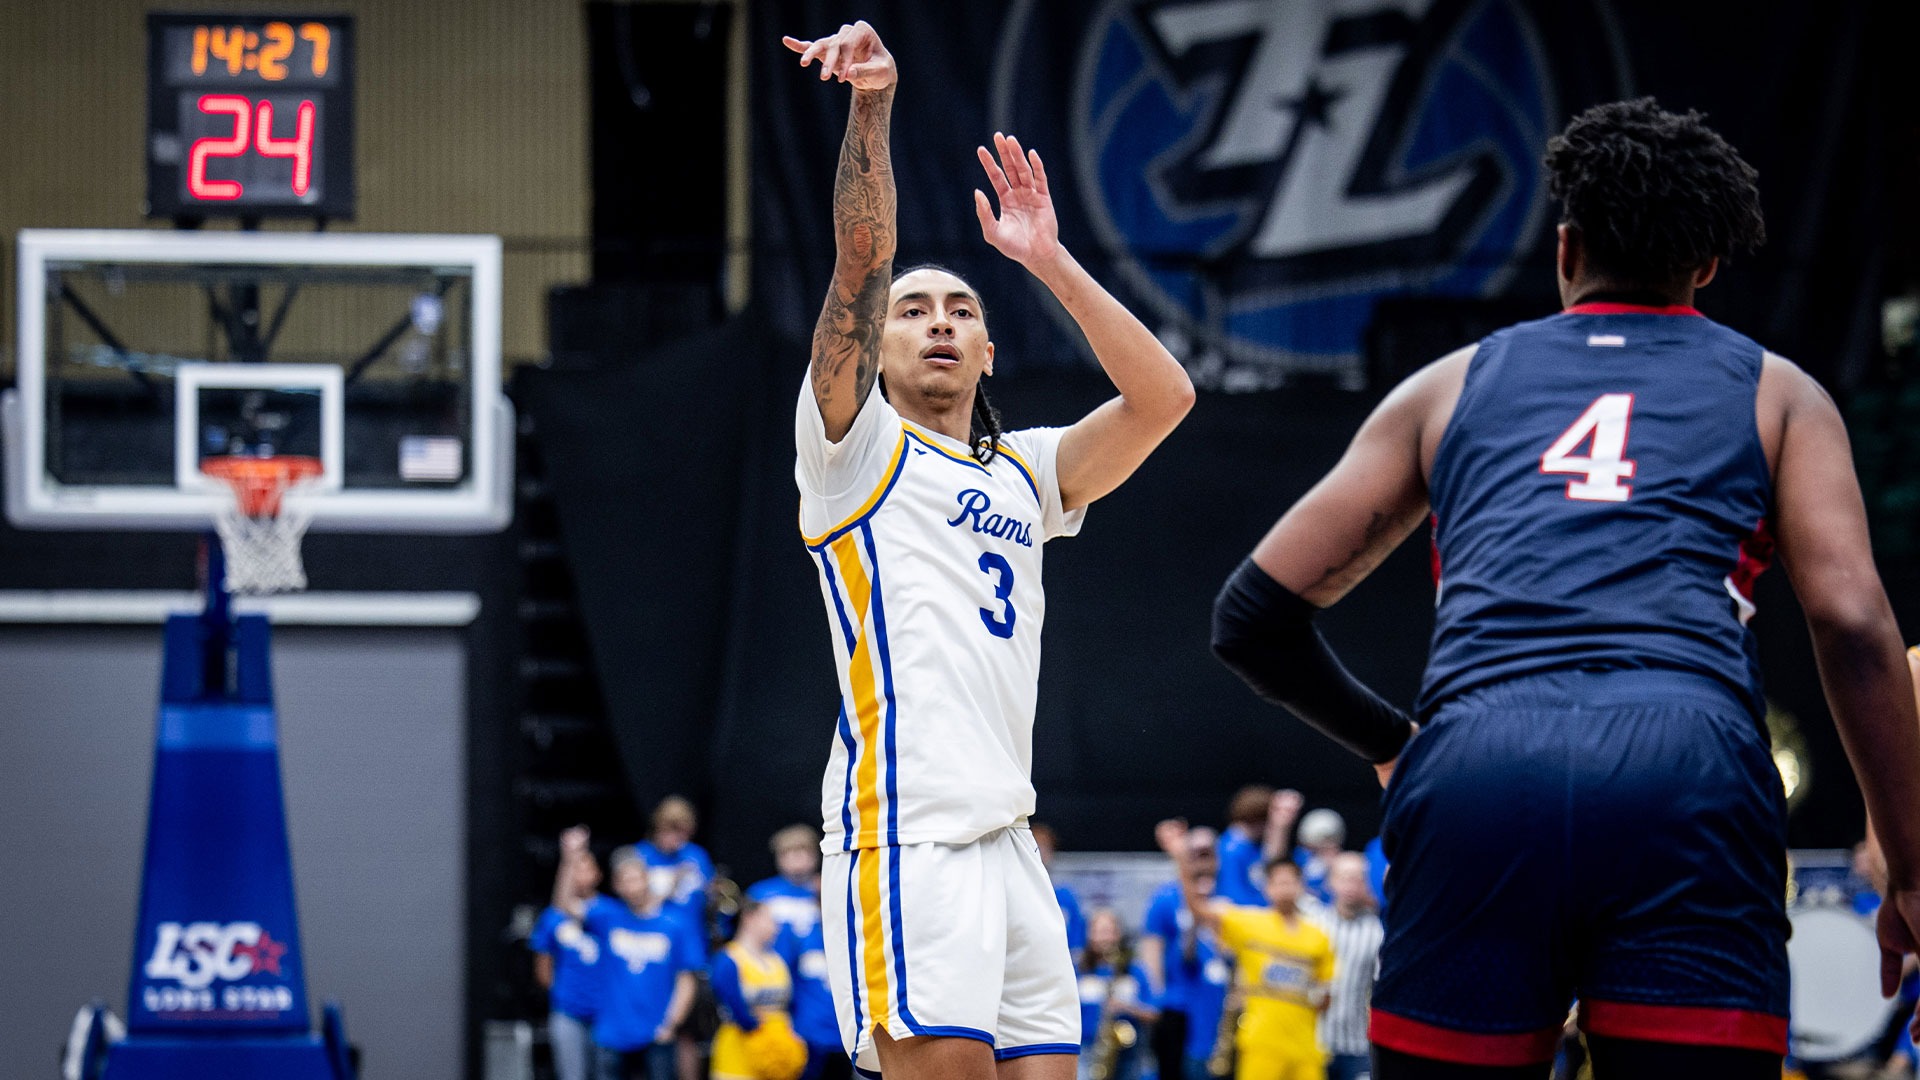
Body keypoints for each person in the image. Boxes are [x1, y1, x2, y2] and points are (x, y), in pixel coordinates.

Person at [1208, 97, 1920, 1078]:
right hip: (1688, 768)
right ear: (1708, 267)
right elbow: (1851, 622)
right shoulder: (1779, 394)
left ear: (1565, 247)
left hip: (1480, 763)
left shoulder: (1448, 387)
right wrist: (1910, 866)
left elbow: (1253, 617)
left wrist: (1397, 746)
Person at [782, 17, 1194, 1080]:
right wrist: (873, 106)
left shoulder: (1025, 469)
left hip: (1011, 840)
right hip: (907, 833)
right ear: (876, 348)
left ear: (988, 348)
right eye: (914, 311)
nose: (939, 322)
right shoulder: (853, 452)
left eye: (962, 310)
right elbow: (861, 260)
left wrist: (1048, 261)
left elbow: (1164, 397)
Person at [1157, 821, 1333, 1080]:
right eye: (1279, 882)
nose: (1285, 888)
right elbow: (1198, 909)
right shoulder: (1251, 923)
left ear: (1301, 885)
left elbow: (1326, 995)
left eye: (1291, 882)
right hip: (1261, 1043)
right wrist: (1182, 860)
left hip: (1307, 1047)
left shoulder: (1319, 936)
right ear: (1267, 888)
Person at [554, 830, 701, 1080]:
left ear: (647, 878)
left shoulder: (674, 924)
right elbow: (564, 906)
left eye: (636, 878)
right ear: (617, 886)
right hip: (612, 1033)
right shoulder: (608, 916)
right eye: (625, 880)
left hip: (656, 1032)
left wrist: (671, 1023)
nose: (632, 886)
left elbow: (686, 978)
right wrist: (570, 859)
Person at [1141, 826, 1220, 1080]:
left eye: (1207, 853)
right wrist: (1156, 995)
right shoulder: (1167, 897)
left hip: (1218, 1003)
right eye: (1194, 854)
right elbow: (1153, 947)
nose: (1201, 861)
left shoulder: (1227, 893)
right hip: (1178, 1003)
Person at [537, 836, 609, 1080]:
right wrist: (561, 993)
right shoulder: (553, 917)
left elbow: (572, 908)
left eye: (585, 868)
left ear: (598, 874)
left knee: (605, 1073)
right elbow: (543, 964)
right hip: (567, 1009)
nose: (580, 875)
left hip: (605, 1009)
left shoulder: (609, 911)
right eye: (574, 869)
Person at [711, 900, 806, 1080]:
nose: (775, 927)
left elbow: (791, 1005)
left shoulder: (777, 961)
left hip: (778, 1055)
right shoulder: (729, 959)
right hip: (740, 1054)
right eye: (769, 920)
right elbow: (736, 1010)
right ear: (749, 918)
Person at [1307, 855, 1382, 1080]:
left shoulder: (1376, 932)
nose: (1350, 885)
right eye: (1344, 878)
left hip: (1356, 1044)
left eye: (1357, 878)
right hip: (1316, 1041)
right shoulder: (1314, 924)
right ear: (1330, 882)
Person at [1075, 910, 1160, 1080]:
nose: (1104, 938)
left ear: (1118, 934)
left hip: (1129, 1054)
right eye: (1099, 932)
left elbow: (1154, 1013)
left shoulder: (1135, 970)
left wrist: (1126, 1008)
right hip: (1087, 1051)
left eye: (1109, 931)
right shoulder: (1078, 970)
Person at [748, 825, 825, 940]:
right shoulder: (761, 892)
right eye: (787, 852)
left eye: (803, 850)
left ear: (815, 855)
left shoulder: (826, 889)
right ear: (778, 858)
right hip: (773, 952)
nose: (796, 858)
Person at [1034, 823, 1089, 959]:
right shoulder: (1016, 895)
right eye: (1036, 847)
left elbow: (1077, 938)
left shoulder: (1065, 896)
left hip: (1062, 960)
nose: (1041, 853)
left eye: (1045, 847)